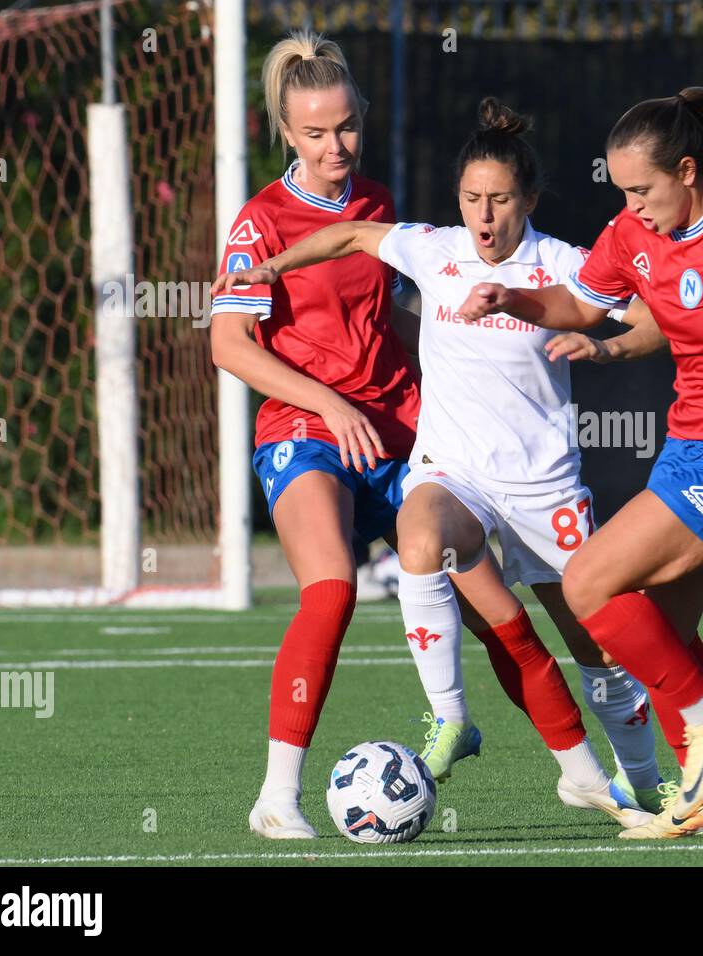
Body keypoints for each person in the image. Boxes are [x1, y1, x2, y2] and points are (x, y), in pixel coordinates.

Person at [214, 98, 674, 827]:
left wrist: (601, 344)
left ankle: (636, 780)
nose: (483, 215)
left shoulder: (564, 265)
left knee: (598, 649)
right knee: (420, 536)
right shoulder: (435, 247)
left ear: (529, 198)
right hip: (449, 471)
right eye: (470, 199)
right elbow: (350, 238)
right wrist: (274, 262)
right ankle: (450, 718)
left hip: (541, 486)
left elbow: (654, 318)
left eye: (498, 200)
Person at [453, 87, 703, 837]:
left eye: (642, 190)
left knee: (590, 582)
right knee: (659, 626)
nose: (632, 206)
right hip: (688, 444)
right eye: (623, 191)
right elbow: (581, 305)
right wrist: (511, 299)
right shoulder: (634, 231)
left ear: (688, 171)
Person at [209, 30, 421, 839]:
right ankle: (276, 797)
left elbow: (394, 315)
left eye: (347, 128)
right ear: (287, 134)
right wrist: (330, 406)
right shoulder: (259, 222)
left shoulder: (378, 203)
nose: (336, 146)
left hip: (395, 423)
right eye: (316, 133)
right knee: (331, 586)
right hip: (306, 428)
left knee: (489, 587)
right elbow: (229, 345)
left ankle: (595, 777)